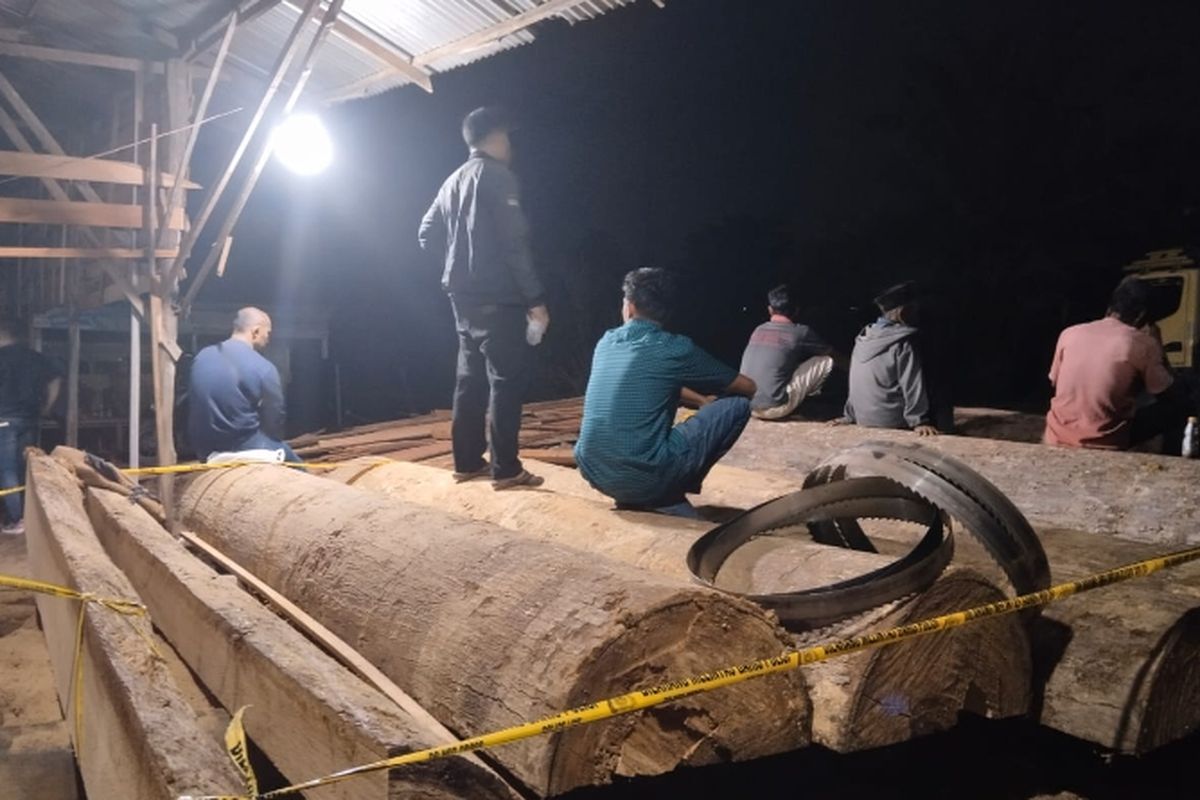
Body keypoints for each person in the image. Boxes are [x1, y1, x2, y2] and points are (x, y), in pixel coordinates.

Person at [418, 106, 548, 490]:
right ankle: (506, 470)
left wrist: (456, 267)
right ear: (495, 137)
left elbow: (426, 233)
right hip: (499, 299)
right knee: (505, 382)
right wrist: (535, 299)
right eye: (507, 136)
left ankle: (466, 462)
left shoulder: (451, 181)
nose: (510, 144)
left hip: (462, 299)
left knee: (469, 379)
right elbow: (514, 244)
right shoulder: (498, 177)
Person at [574, 267, 756, 518]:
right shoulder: (675, 348)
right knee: (738, 404)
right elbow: (747, 388)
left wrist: (702, 401)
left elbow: (659, 380)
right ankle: (668, 490)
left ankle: (645, 491)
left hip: (594, 470)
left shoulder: (606, 342)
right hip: (646, 477)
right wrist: (711, 400)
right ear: (667, 312)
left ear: (629, 307)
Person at [1045, 276, 1188, 450]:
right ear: (1142, 315)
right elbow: (1168, 393)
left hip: (1057, 435)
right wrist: (1158, 346)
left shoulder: (1069, 334)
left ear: (1110, 307)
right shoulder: (1142, 343)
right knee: (1179, 408)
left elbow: (1055, 382)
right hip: (1105, 439)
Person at [186, 307, 298, 463]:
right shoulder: (264, 367)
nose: (268, 338)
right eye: (268, 333)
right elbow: (275, 418)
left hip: (204, 447)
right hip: (242, 444)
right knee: (297, 465)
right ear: (256, 331)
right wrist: (271, 439)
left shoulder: (202, 356)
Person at [837, 281, 938, 435]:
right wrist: (919, 421)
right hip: (891, 421)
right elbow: (912, 383)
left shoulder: (863, 338)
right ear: (903, 312)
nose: (918, 313)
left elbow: (855, 381)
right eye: (914, 308)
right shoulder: (903, 342)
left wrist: (849, 416)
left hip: (862, 418)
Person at [739, 284, 837, 420]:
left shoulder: (758, 330)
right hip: (775, 408)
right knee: (825, 360)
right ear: (796, 311)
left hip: (746, 405)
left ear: (770, 309)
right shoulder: (801, 332)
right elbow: (829, 352)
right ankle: (809, 404)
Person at [0, 320, 60, 535]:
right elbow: (55, 380)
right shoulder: (34, 357)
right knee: (25, 465)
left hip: (4, 420)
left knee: (6, 471)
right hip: (30, 418)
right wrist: (47, 407)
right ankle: (31, 514)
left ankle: (17, 519)